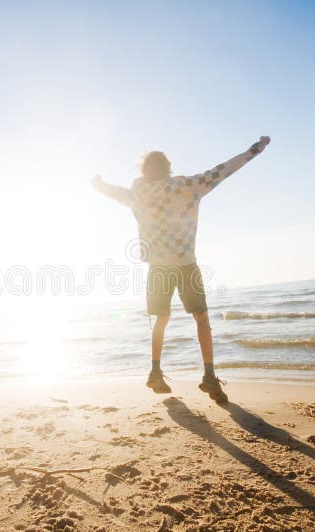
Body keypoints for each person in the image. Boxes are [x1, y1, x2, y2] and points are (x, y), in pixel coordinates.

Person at [92, 136, 271, 403]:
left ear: (143, 171)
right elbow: (222, 171)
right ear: (168, 169)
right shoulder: (186, 186)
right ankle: (209, 376)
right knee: (201, 318)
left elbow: (114, 192)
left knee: (161, 319)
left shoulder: (136, 196)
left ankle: (155, 371)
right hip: (186, 263)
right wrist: (252, 151)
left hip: (158, 267)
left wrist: (99, 185)